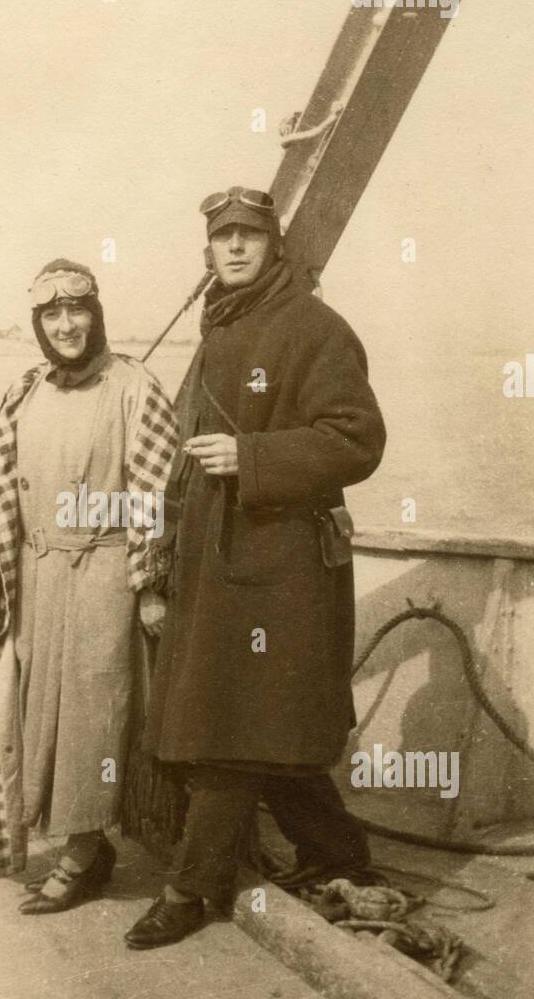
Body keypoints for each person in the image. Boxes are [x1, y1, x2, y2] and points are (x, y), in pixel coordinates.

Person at [124, 188, 387, 950]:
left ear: (274, 245)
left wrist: (253, 456)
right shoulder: (222, 324)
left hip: (283, 568)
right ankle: (338, 852)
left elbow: (357, 439)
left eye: (249, 235)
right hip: (219, 559)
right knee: (264, 720)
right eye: (222, 237)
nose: (235, 248)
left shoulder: (315, 327)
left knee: (232, 728)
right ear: (207, 250)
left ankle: (190, 889)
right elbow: (180, 459)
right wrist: (162, 561)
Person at [0, 259, 177, 913]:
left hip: (102, 574)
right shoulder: (24, 391)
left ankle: (83, 850)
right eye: (51, 314)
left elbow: (152, 496)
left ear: (96, 312)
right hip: (35, 576)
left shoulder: (134, 387)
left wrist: (148, 585)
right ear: (38, 324)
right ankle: (79, 842)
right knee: (31, 715)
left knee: (92, 719)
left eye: (76, 309)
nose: (66, 324)